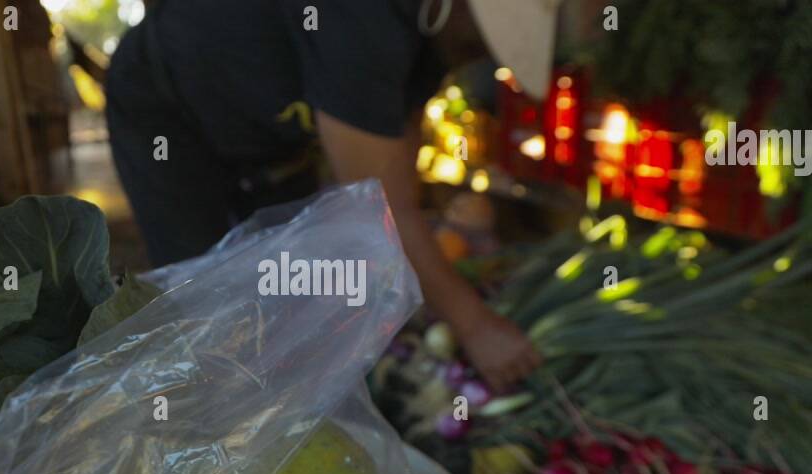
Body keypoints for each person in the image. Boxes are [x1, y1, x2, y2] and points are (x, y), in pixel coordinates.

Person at [105, 0, 558, 391]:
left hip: (271, 141)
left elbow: (396, 165)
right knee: (200, 309)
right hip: (166, 115)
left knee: (285, 299)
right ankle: (199, 441)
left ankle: (276, 418)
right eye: (482, 38)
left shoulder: (428, 32)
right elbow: (380, 208)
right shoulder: (365, 20)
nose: (480, 56)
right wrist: (475, 325)